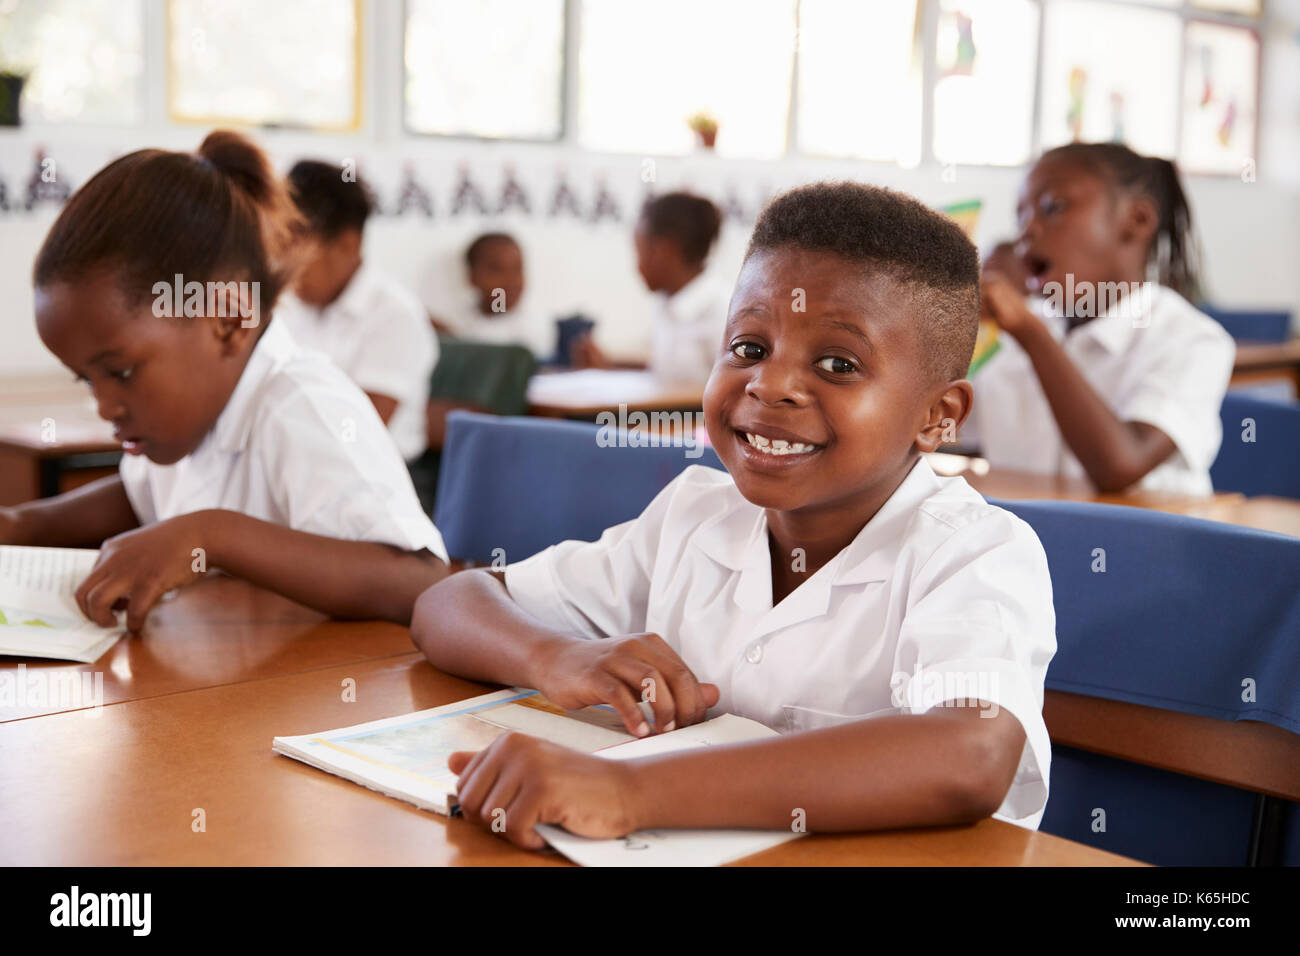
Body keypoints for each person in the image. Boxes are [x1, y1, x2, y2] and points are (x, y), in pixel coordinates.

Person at [411, 182, 1057, 848]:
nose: (770, 384)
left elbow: (971, 752)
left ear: (936, 417)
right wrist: (557, 658)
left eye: (838, 364)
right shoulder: (695, 514)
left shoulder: (975, 552)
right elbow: (451, 604)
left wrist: (629, 792)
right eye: (749, 348)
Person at [0, 131, 448, 632]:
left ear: (229, 322)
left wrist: (210, 535)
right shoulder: (183, 421)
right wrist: (24, 524)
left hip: (327, 700)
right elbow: (139, 498)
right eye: (87, 380)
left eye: (121, 372)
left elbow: (422, 582)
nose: (104, 405)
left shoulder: (298, 405)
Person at [972, 142, 1235, 494]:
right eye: (1021, 215)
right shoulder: (1010, 333)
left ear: (1136, 221)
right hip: (1030, 543)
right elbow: (939, 430)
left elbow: (1121, 465)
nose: (1027, 230)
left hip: (1143, 546)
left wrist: (1031, 335)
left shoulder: (1192, 340)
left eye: (1052, 208)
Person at [277, 159, 437, 463]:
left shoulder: (394, 315)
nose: (282, 264)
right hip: (302, 466)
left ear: (347, 244)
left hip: (379, 479)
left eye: (294, 248)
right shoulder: (289, 306)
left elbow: (357, 431)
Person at [574, 192, 731, 383]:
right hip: (664, 414)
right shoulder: (666, 303)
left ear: (664, 251)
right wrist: (606, 368)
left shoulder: (724, 312)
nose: (637, 267)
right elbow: (664, 378)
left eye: (640, 252)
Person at [434, 233, 555, 360]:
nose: (511, 281)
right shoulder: (459, 316)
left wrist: (452, 338)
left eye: (517, 269)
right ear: (472, 277)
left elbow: (498, 361)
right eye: (497, 270)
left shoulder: (534, 324)